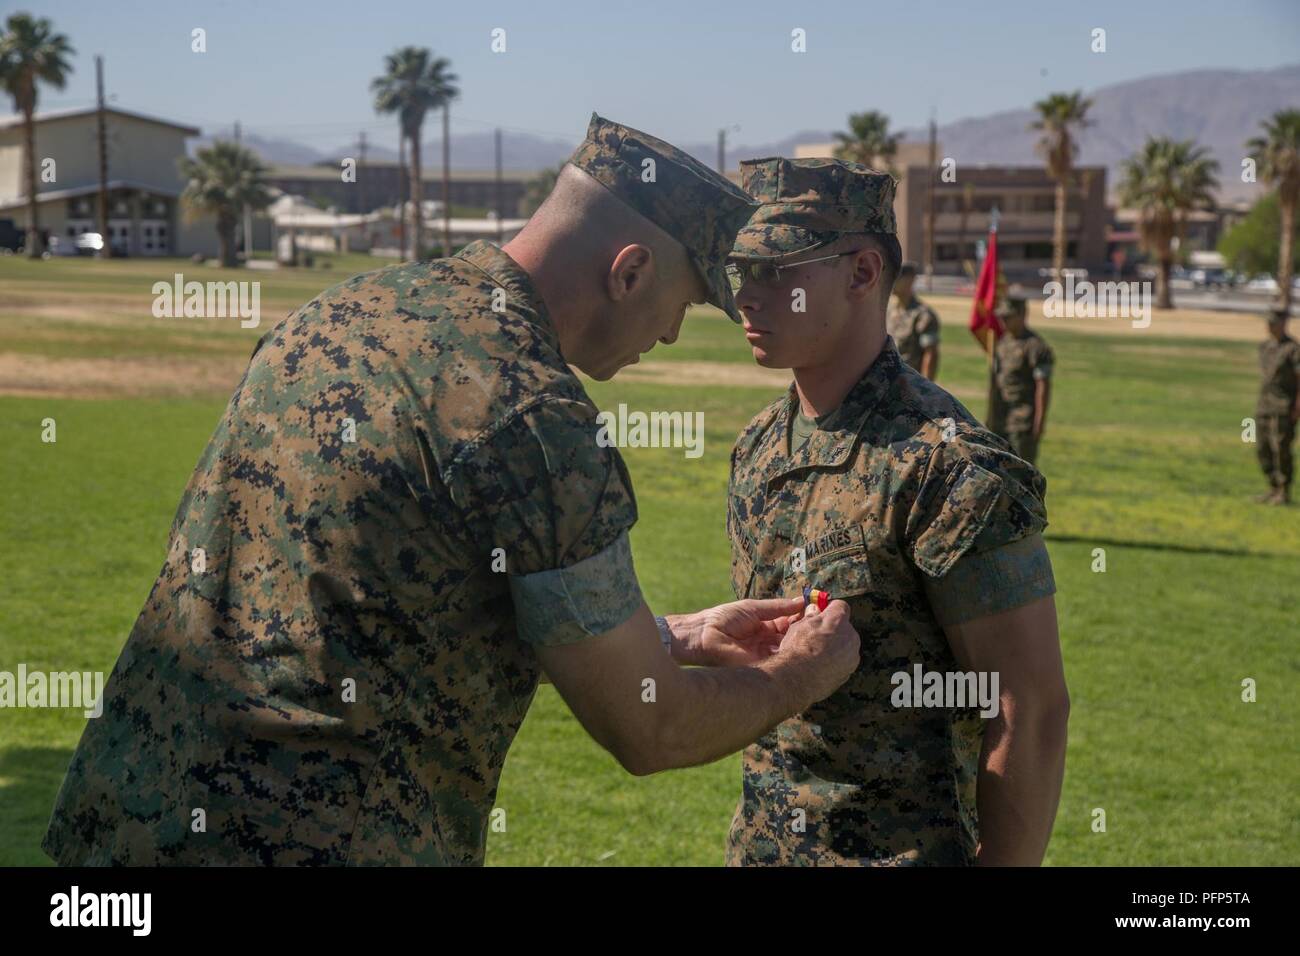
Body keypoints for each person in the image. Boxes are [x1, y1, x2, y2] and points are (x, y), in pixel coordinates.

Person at [42, 116, 860, 867]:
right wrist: (795, 677)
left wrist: (676, 635)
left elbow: (395, 597)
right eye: (682, 303)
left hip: (129, 818)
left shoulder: (342, 313)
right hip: (305, 840)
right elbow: (649, 726)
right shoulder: (534, 415)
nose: (672, 333)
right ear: (631, 271)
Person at [724, 156, 1068, 866]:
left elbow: (1027, 710)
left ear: (861, 272)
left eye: (776, 269)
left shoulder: (949, 466)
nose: (747, 297)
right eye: (740, 271)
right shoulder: (759, 445)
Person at [986, 293, 1054, 465]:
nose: (1003, 322)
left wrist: (1039, 423)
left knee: (1021, 475)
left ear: (1022, 315)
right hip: (999, 421)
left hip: (1022, 423)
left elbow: (1043, 387)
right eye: (1002, 317)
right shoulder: (1002, 343)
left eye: (1008, 317)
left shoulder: (1035, 347)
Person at [1255, 308, 1300, 505]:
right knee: (1262, 448)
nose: (1269, 326)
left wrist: (1297, 407)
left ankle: (1284, 491)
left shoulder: (1293, 349)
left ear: (1283, 323)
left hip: (1284, 407)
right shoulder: (1265, 347)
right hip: (1264, 406)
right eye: (1268, 322)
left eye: (1273, 322)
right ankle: (1272, 487)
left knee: (1281, 449)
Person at [886, 261, 940, 379]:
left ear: (910, 280)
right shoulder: (886, 311)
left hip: (909, 385)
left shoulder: (923, 315)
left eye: (897, 278)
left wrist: (925, 390)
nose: (891, 282)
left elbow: (930, 355)